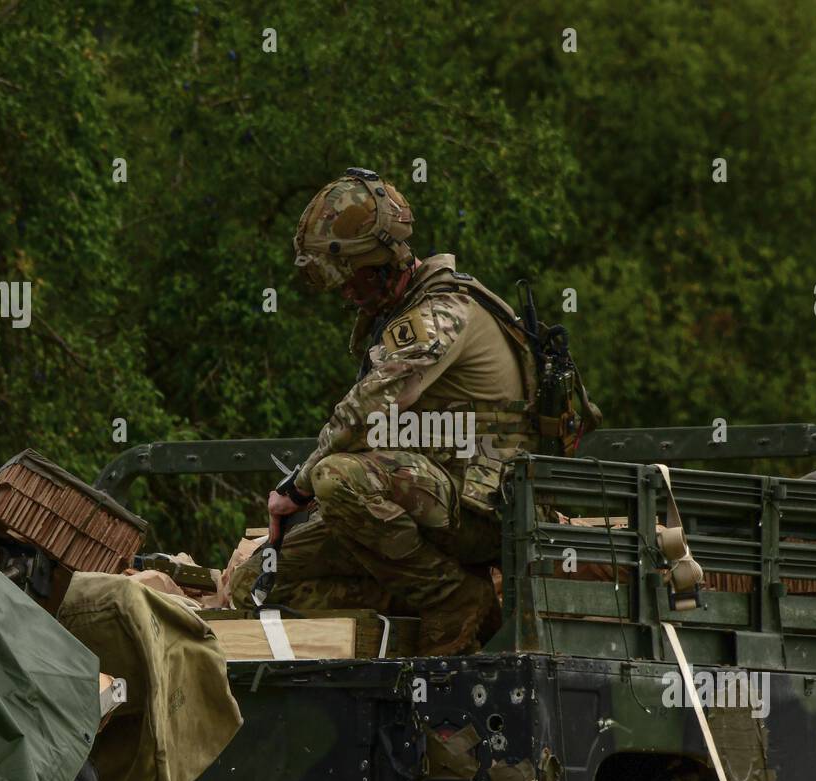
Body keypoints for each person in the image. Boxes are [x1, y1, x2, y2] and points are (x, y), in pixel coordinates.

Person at [231, 167, 596, 655]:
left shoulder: (443, 313)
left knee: (336, 479)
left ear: (383, 261)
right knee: (258, 582)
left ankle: (453, 598)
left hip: (484, 510)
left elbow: (368, 409)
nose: (344, 292)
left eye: (350, 278)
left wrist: (296, 488)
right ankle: (432, 609)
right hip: (426, 503)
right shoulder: (407, 312)